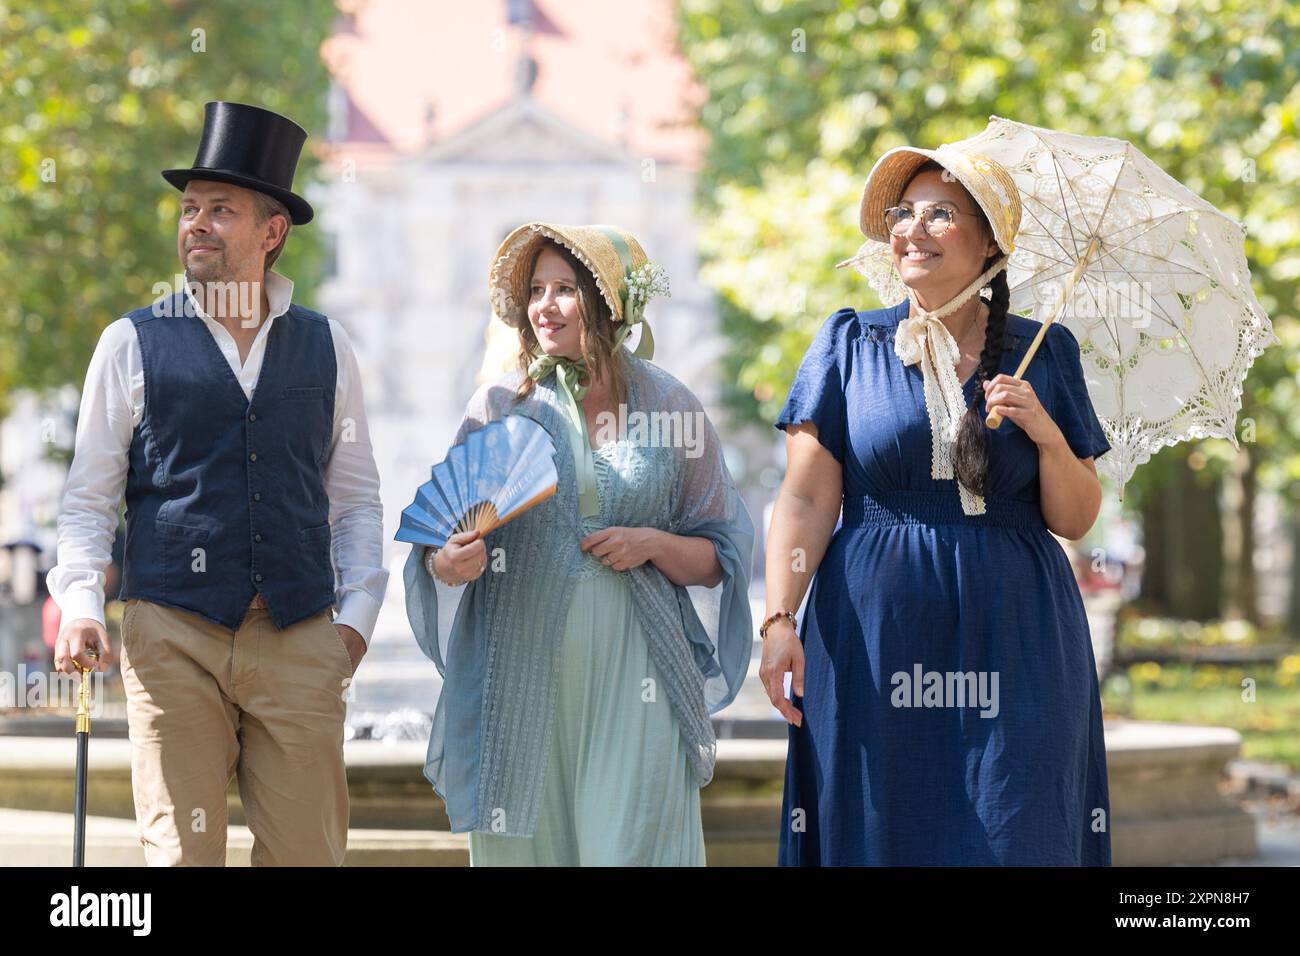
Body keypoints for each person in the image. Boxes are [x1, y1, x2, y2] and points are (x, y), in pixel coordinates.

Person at [47, 101, 388, 866]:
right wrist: (77, 604)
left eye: (221, 210)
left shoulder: (329, 347)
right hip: (174, 630)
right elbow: (89, 496)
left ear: (272, 233)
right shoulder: (131, 342)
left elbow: (356, 497)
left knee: (309, 856)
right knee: (182, 857)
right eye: (190, 208)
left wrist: (354, 624)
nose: (196, 224)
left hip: (300, 631)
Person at [762, 144, 1113, 865]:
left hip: (1021, 631)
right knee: (884, 826)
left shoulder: (1045, 350)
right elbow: (803, 498)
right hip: (874, 629)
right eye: (902, 213)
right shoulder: (848, 343)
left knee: (1022, 824)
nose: (912, 229)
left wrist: (1045, 432)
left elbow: (1076, 518)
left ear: (989, 241)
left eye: (939, 213)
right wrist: (777, 618)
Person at [403, 222, 754, 865]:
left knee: (631, 848)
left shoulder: (671, 403)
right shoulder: (499, 407)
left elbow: (719, 555)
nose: (545, 305)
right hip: (520, 675)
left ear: (609, 302)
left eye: (566, 288)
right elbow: (439, 549)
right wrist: (452, 560)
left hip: (639, 671)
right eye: (536, 289)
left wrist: (654, 543)